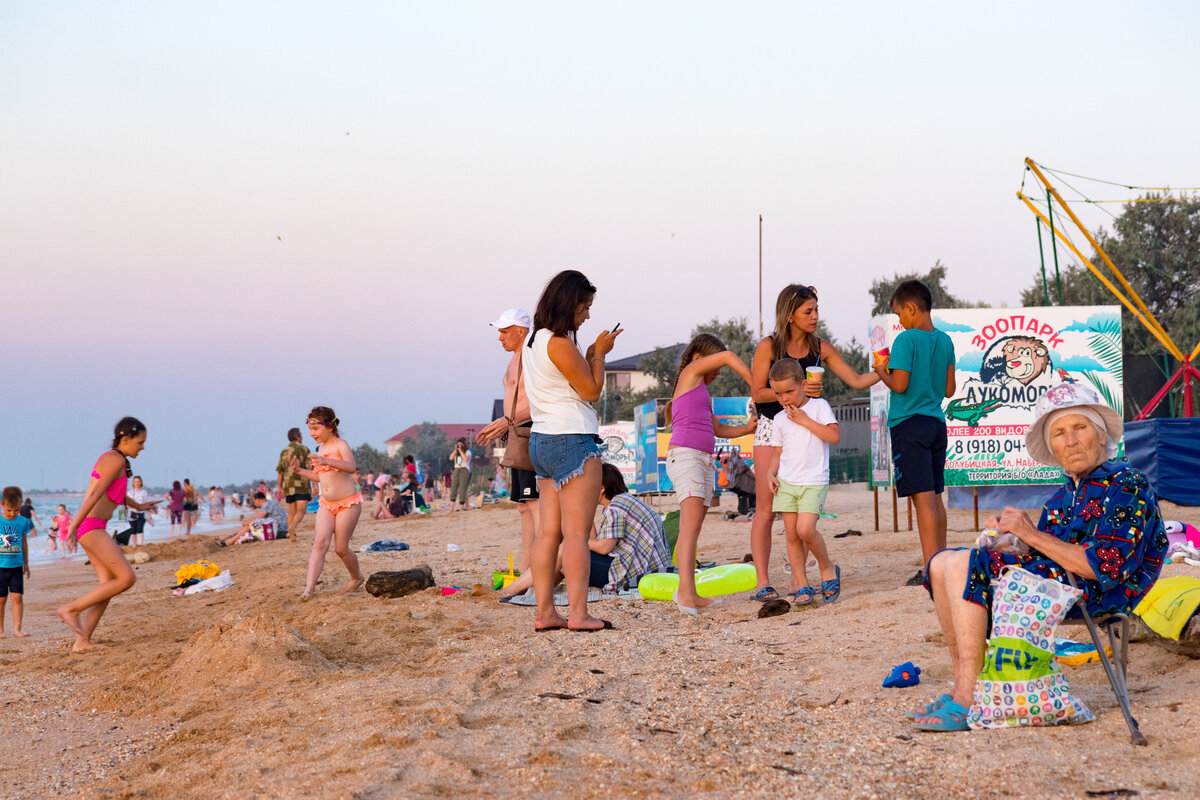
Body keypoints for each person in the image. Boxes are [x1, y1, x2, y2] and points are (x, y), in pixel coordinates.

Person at [910, 381, 1168, 732]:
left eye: (1080, 428)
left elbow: (1098, 566)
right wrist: (1009, 540)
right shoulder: (1063, 497)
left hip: (1098, 591)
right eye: (1059, 433)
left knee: (963, 563)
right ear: (1052, 446)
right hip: (1065, 580)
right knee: (942, 561)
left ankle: (969, 697)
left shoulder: (1127, 484)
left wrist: (1030, 535)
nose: (1071, 440)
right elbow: (1041, 552)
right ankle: (962, 684)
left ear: (1100, 433)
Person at [749, 284, 879, 600]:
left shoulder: (822, 348)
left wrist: (887, 371)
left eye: (817, 310)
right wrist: (797, 391)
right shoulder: (768, 346)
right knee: (767, 510)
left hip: (808, 431)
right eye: (808, 311)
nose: (815, 317)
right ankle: (763, 582)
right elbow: (757, 393)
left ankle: (800, 579)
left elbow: (857, 381)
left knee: (798, 519)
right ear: (790, 314)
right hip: (773, 426)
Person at [524, 269, 621, 632]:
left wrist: (592, 352)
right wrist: (600, 355)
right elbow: (591, 391)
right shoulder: (560, 343)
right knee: (578, 534)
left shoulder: (533, 341)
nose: (588, 314)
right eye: (585, 306)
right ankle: (579, 614)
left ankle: (545, 611)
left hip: (542, 440)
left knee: (548, 533)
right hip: (573, 439)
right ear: (569, 303)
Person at [664, 334, 757, 614]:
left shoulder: (700, 391)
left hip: (702, 460)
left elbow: (717, 428)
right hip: (687, 457)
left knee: (694, 527)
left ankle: (688, 591)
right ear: (698, 359)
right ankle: (685, 593)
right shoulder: (690, 374)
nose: (717, 372)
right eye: (714, 367)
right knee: (689, 527)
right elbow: (728, 357)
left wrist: (747, 428)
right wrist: (757, 384)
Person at [872, 279, 956, 582]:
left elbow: (900, 384)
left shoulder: (905, 341)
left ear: (911, 308)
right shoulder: (946, 341)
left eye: (899, 315)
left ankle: (932, 569)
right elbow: (949, 389)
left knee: (922, 501)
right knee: (934, 496)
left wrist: (882, 370)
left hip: (909, 424)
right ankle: (943, 562)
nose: (900, 322)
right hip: (936, 422)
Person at [57, 417, 160, 652]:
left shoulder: (119, 462)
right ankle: (70, 609)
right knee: (126, 578)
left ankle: (82, 641)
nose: (142, 447)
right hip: (91, 526)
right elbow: (93, 495)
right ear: (125, 439)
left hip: (93, 526)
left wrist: (141, 506)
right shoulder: (113, 460)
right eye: (140, 442)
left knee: (108, 584)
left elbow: (115, 494)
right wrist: (73, 526)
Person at [766, 360, 842, 605]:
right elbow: (778, 453)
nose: (785, 398)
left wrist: (805, 420)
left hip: (814, 480)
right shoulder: (778, 419)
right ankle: (802, 583)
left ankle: (827, 567)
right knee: (791, 534)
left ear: (803, 383)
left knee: (805, 530)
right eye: (778, 394)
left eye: (790, 391)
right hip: (787, 483)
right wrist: (770, 473)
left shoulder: (819, 407)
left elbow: (834, 436)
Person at [475, 307, 542, 580]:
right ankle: (529, 568)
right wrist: (503, 423)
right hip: (517, 430)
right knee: (524, 505)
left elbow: (543, 400)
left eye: (504, 331)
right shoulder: (514, 359)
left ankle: (539, 570)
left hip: (530, 429)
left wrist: (507, 420)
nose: (500, 337)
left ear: (521, 331)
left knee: (535, 503)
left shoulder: (532, 357)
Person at [290, 406, 365, 597]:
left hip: (348, 503)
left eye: (315, 429)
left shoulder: (340, 445)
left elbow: (350, 466)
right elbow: (319, 476)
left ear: (329, 427)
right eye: (310, 430)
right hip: (326, 504)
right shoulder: (321, 449)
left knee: (341, 548)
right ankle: (309, 589)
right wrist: (299, 471)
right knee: (319, 544)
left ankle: (356, 577)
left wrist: (327, 461)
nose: (311, 433)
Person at [0, 486, 32, 638]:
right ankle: (0, 630)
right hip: (0, 567)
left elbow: (24, 542)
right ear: (2, 505)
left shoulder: (23, 521)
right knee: (1, 600)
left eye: (16, 510)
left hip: (16, 566)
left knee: (17, 598)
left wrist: (26, 563)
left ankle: (17, 629)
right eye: (9, 510)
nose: (13, 513)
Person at [277, 427, 313, 543]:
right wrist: (315, 486)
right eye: (301, 435)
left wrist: (279, 487)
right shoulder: (304, 449)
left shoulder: (284, 451)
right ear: (298, 437)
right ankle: (292, 528)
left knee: (292, 512)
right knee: (301, 510)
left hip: (288, 485)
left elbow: (280, 472)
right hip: (302, 484)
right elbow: (311, 469)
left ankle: (290, 534)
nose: (302, 437)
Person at [217, 491, 289, 546]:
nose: (254, 504)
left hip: (278, 531)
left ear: (258, 500)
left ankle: (229, 541)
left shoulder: (266, 505)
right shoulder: (269, 503)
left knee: (250, 525)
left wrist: (247, 522)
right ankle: (234, 535)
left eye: (254, 502)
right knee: (249, 523)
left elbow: (259, 518)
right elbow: (259, 518)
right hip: (279, 530)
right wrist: (246, 522)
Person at [448, 439, 473, 512]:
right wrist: (456, 450)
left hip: (464, 470)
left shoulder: (468, 452)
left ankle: (461, 506)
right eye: (458, 445)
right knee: (454, 487)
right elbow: (450, 458)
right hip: (456, 469)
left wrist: (461, 451)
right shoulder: (456, 452)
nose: (459, 446)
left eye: (461, 445)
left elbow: (465, 459)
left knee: (462, 488)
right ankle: (451, 506)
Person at [127, 477, 150, 546]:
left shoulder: (144, 492)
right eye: (135, 482)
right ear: (133, 483)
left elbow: (148, 502)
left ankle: (140, 545)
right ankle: (134, 546)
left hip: (142, 514)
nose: (137, 483)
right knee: (133, 531)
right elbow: (127, 503)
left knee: (140, 529)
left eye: (138, 482)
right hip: (131, 514)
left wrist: (151, 511)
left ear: (141, 482)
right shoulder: (130, 492)